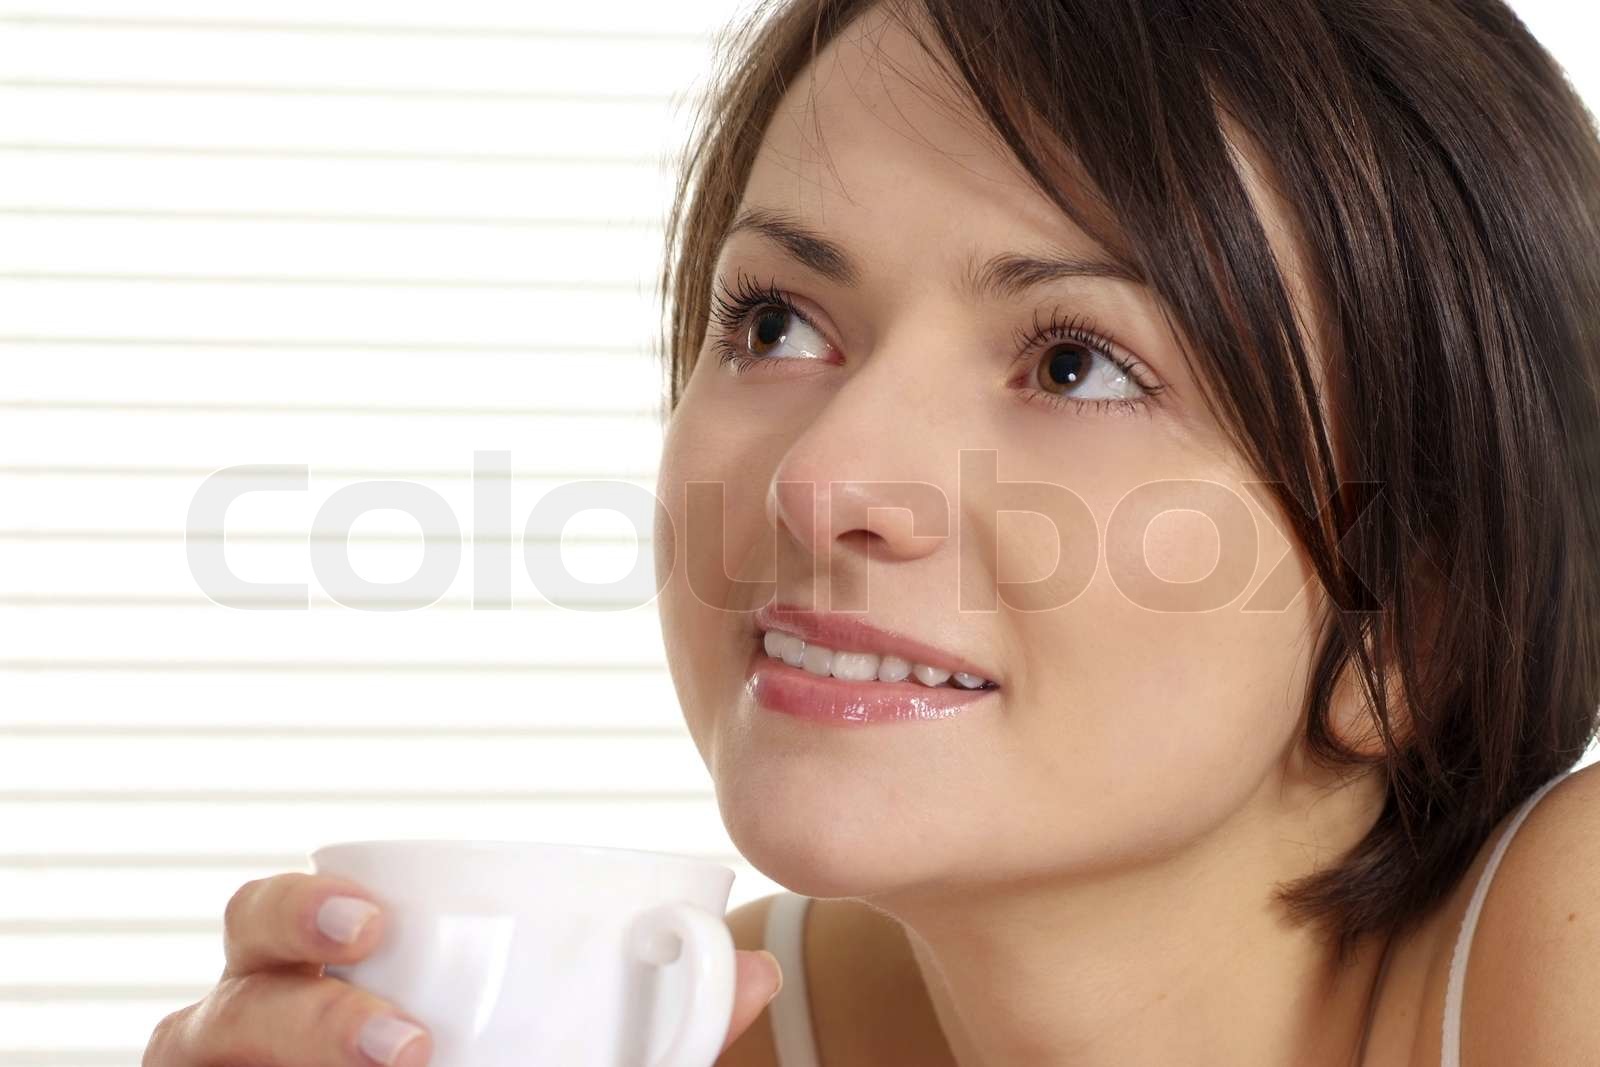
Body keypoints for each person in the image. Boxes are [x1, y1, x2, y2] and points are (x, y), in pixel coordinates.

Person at [143, 0, 1600, 1065]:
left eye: (1078, 363)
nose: (821, 479)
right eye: (776, 322)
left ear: (1417, 610)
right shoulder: (661, 1026)